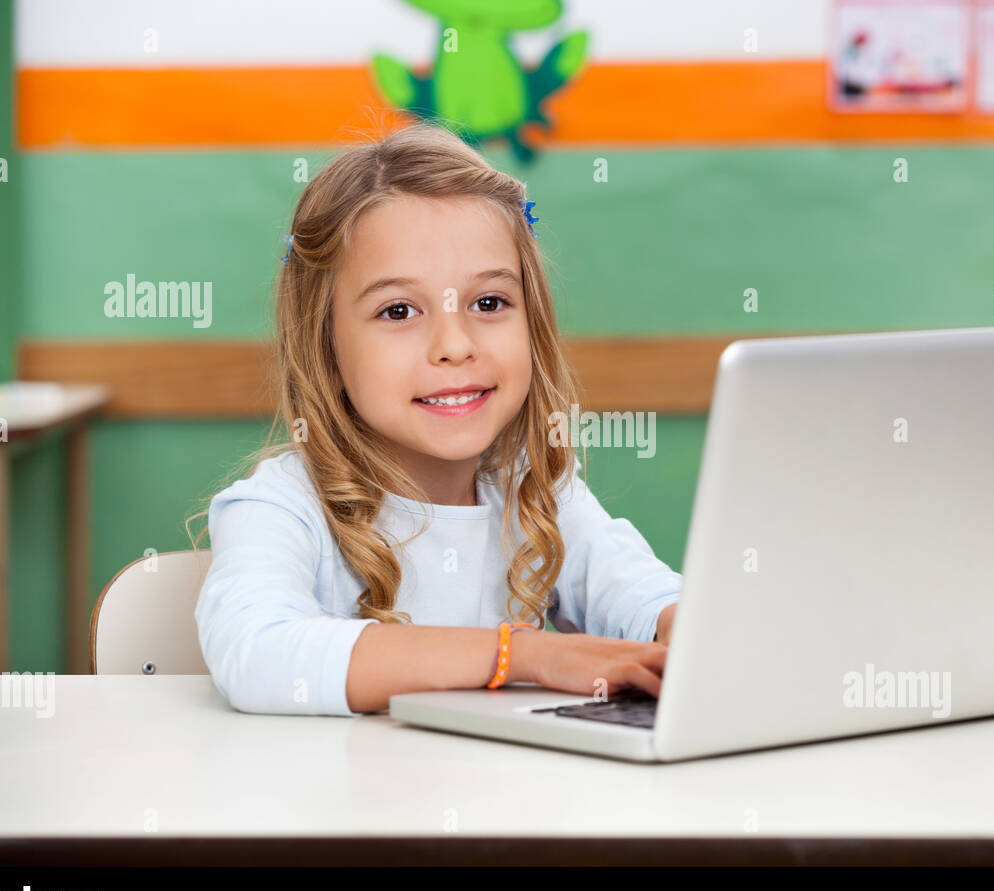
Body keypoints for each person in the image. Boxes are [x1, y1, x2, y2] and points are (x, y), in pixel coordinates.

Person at [189, 120, 680, 716]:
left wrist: (689, 629)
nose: (455, 344)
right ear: (328, 349)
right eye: (399, 310)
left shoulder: (535, 491)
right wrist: (517, 655)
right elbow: (258, 653)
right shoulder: (280, 508)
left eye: (489, 303)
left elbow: (647, 598)